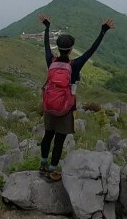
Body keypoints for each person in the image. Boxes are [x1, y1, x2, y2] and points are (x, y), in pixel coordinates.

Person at [36, 14, 113, 179]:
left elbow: (46, 46)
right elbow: (91, 50)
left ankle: (42, 164)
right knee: (59, 140)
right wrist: (103, 31)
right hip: (66, 108)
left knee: (48, 135)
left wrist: (47, 28)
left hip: (50, 105)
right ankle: (52, 170)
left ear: (58, 48)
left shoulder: (51, 61)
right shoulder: (75, 65)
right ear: (71, 49)